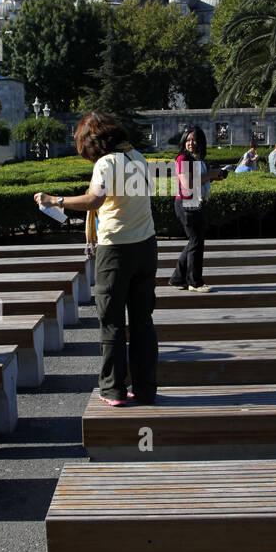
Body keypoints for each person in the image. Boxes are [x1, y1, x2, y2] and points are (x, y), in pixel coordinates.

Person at [34, 112, 157, 407]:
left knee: (112, 321)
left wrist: (56, 200)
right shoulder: (138, 157)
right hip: (146, 246)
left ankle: (113, 389)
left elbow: (95, 200)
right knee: (142, 321)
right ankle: (145, 388)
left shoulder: (106, 163)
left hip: (115, 250)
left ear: (94, 142)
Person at [168, 126, 227, 292]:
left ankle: (178, 278)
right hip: (186, 204)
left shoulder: (194, 159)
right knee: (196, 241)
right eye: (187, 140)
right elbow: (187, 185)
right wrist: (210, 174)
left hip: (193, 202)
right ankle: (195, 282)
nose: (190, 143)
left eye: (194, 140)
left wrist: (214, 175)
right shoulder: (182, 159)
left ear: (201, 141)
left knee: (195, 241)